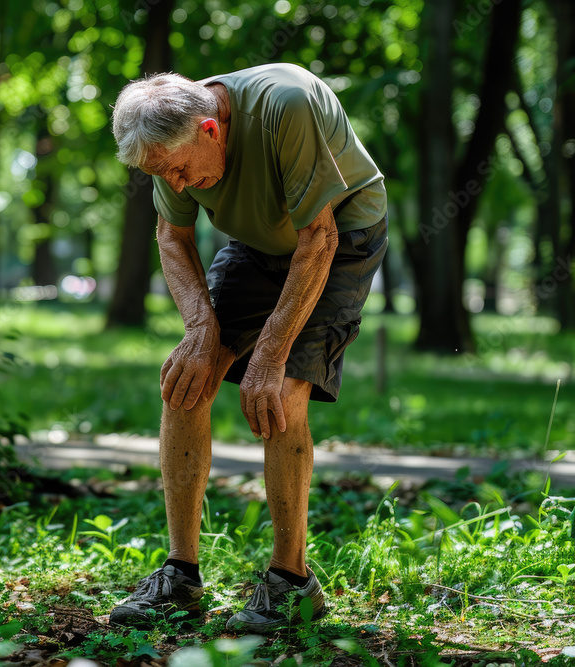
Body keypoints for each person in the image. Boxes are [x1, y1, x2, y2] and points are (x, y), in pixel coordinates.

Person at [106, 63, 388, 634]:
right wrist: (200, 330)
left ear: (211, 130)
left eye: (181, 170)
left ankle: (291, 584)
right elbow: (172, 235)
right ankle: (181, 576)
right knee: (186, 380)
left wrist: (269, 354)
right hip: (261, 242)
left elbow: (320, 237)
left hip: (340, 236)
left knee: (280, 392)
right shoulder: (166, 134)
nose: (177, 185)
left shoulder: (284, 107)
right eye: (165, 175)